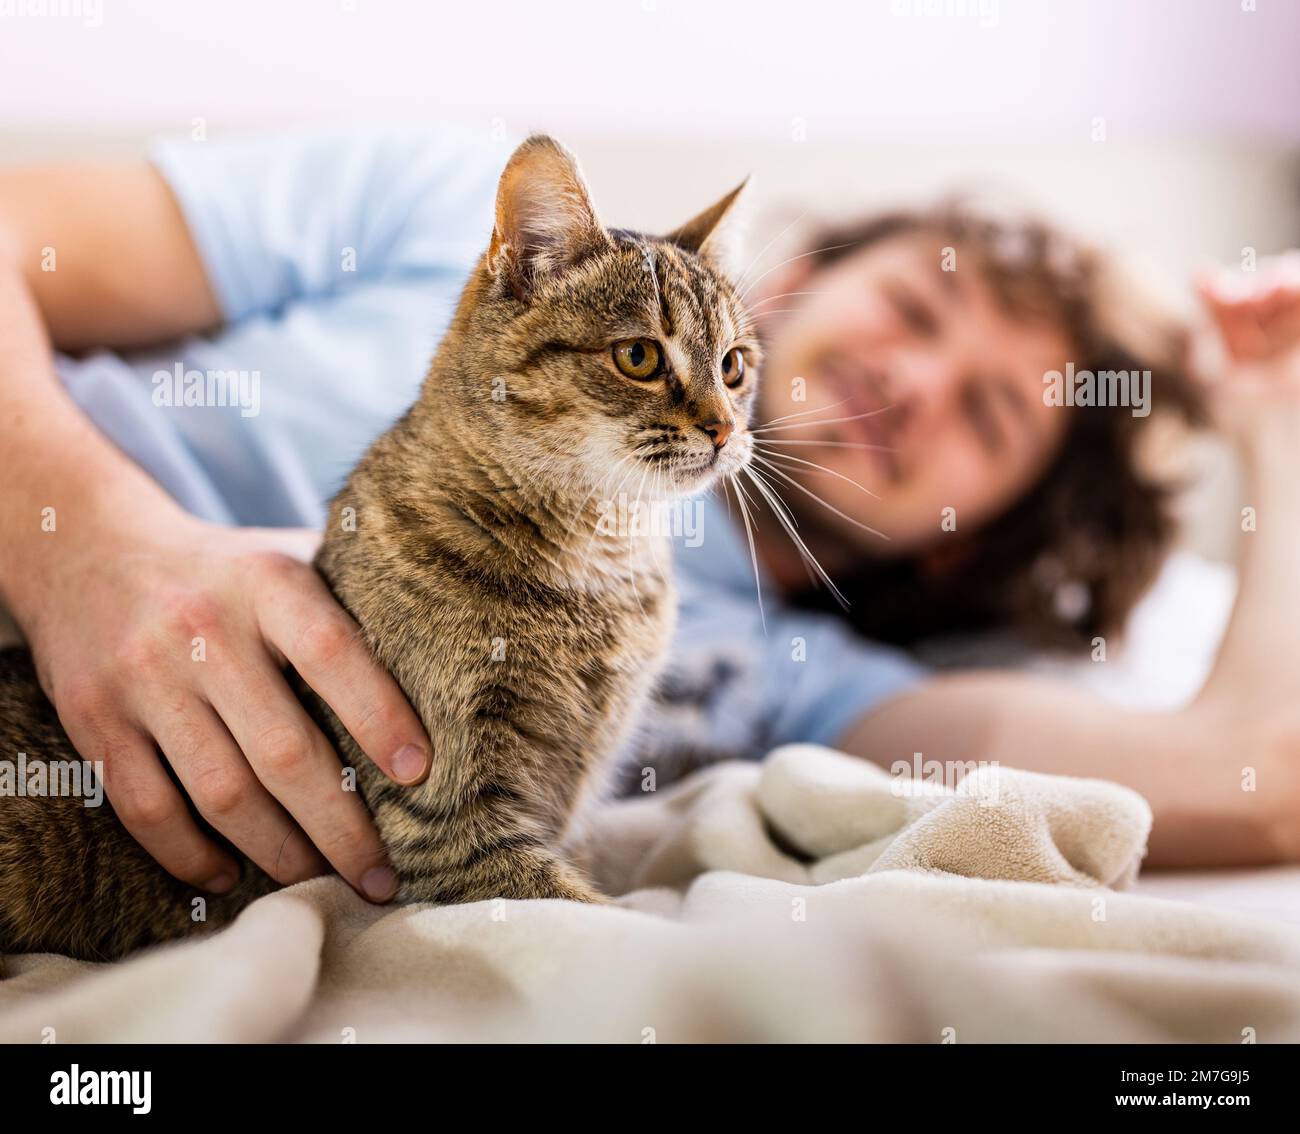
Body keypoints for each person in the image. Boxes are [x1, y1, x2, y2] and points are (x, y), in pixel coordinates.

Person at [1, 131, 1296, 911]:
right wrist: (80, 535)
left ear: (967, 538)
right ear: (784, 281)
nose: (912, 383)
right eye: (914, 311)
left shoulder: (817, 686)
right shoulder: (439, 192)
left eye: (991, 413)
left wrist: (1269, 416)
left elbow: (1265, 778)